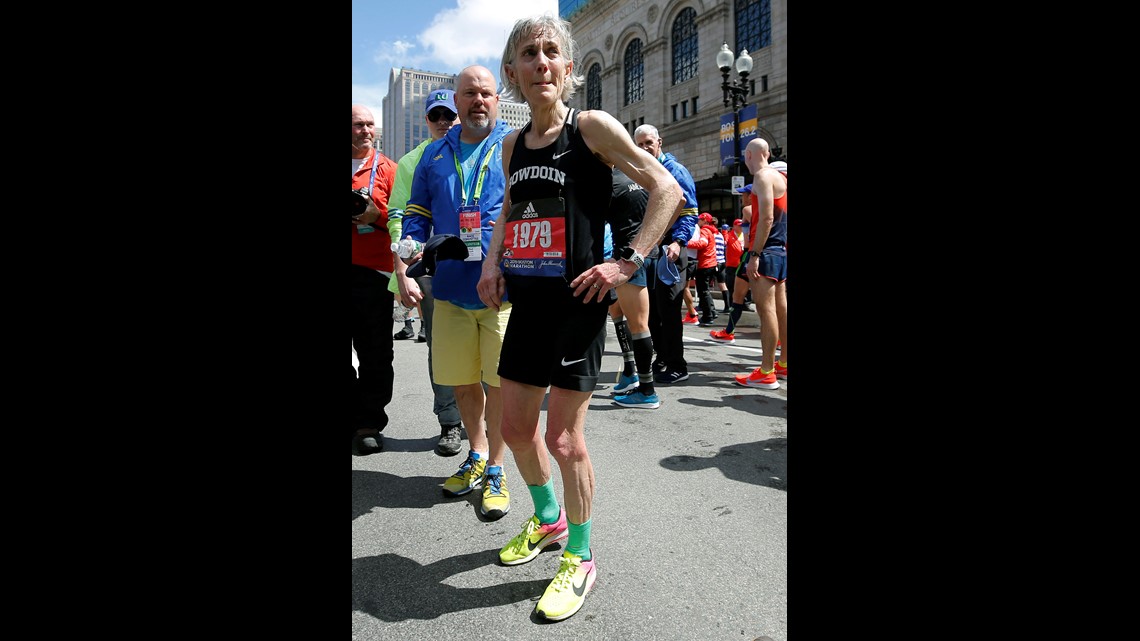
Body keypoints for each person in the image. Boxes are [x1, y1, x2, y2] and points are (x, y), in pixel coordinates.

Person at [480, 15, 683, 622]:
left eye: (550, 53)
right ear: (512, 73)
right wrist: (493, 264)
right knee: (516, 428)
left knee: (564, 439)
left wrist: (627, 263)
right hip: (528, 305)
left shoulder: (589, 126)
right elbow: (510, 209)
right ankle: (547, 521)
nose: (540, 62)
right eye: (527, 54)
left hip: (579, 305)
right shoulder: (514, 145)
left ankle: (582, 556)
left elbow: (664, 189)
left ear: (567, 69)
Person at [401, 67, 514, 518]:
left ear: (497, 97)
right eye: (470, 94)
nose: (478, 101)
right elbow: (416, 212)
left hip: (502, 289)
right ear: (459, 99)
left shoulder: (512, 146)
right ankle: (477, 453)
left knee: (500, 383)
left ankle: (498, 469)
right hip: (448, 288)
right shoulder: (433, 154)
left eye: (486, 93)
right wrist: (411, 247)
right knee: (464, 381)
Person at [386, 89, 465, 456]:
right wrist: (403, 273)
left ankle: (481, 420)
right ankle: (449, 421)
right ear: (428, 121)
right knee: (442, 347)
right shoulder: (411, 161)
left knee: (485, 344)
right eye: (436, 116)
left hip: (476, 265)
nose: (444, 122)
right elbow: (398, 219)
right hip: (431, 270)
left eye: (450, 114)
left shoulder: (480, 152)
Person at [632, 123, 699, 384]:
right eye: (639, 144)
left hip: (671, 251)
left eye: (649, 142)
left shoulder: (675, 171)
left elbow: (690, 211)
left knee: (669, 310)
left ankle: (677, 365)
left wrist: (678, 242)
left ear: (660, 142)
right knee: (653, 311)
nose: (645, 148)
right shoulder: (642, 172)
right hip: (649, 251)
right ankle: (662, 357)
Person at [351, 104, 399, 456]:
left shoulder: (388, 169)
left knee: (375, 353)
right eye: (357, 125)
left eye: (369, 125)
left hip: (374, 273)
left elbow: (401, 220)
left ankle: (369, 422)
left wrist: (375, 214)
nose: (365, 130)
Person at [732, 138, 788, 388]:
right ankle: (783, 364)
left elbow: (765, 218)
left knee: (766, 312)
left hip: (766, 251)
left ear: (749, 155)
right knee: (780, 309)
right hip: (779, 251)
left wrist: (754, 254)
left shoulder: (763, 177)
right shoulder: (780, 178)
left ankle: (766, 371)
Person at [605, 168, 660, 409]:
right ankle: (630, 372)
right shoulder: (642, 176)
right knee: (618, 312)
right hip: (645, 253)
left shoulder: (610, 182)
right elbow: (675, 201)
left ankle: (647, 391)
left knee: (638, 325)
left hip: (627, 257)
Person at [686, 212, 720, 327]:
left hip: (705, 264)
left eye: (700, 219)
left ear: (705, 221)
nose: (698, 221)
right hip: (711, 263)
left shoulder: (705, 230)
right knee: (705, 290)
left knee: (703, 291)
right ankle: (712, 312)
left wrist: (685, 243)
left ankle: (707, 316)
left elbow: (702, 243)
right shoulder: (711, 231)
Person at [722, 217, 745, 312]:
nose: (741, 227)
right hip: (732, 265)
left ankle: (745, 304)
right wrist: (724, 232)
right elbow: (725, 241)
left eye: (742, 226)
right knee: (730, 285)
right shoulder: (729, 235)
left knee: (744, 286)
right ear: (734, 226)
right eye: (739, 226)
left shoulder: (744, 235)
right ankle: (730, 305)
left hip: (742, 264)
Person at [714, 223, 729, 312]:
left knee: (704, 285)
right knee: (722, 284)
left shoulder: (712, 235)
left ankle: (704, 306)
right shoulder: (720, 235)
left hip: (714, 262)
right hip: (722, 261)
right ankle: (727, 306)